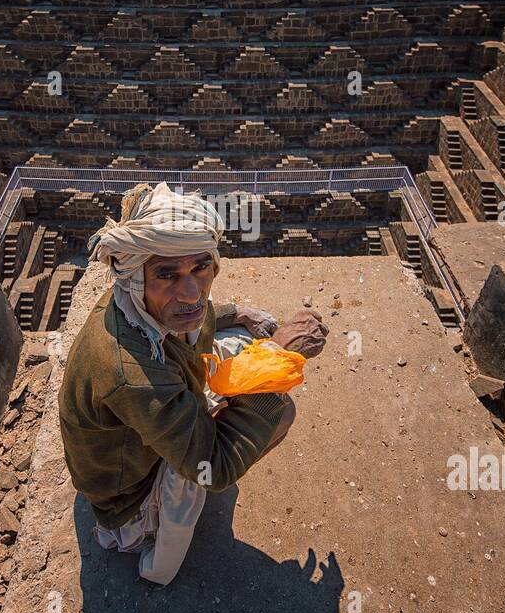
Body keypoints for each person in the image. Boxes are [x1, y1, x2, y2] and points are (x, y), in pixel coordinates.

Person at [59, 183, 329, 585]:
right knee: (279, 410)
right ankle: (156, 529)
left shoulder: (137, 305)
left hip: (144, 432)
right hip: (128, 499)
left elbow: (198, 314)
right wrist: (279, 356)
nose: (191, 293)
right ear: (135, 278)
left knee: (238, 340)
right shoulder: (131, 374)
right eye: (167, 274)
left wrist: (238, 312)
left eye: (201, 267)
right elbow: (211, 467)